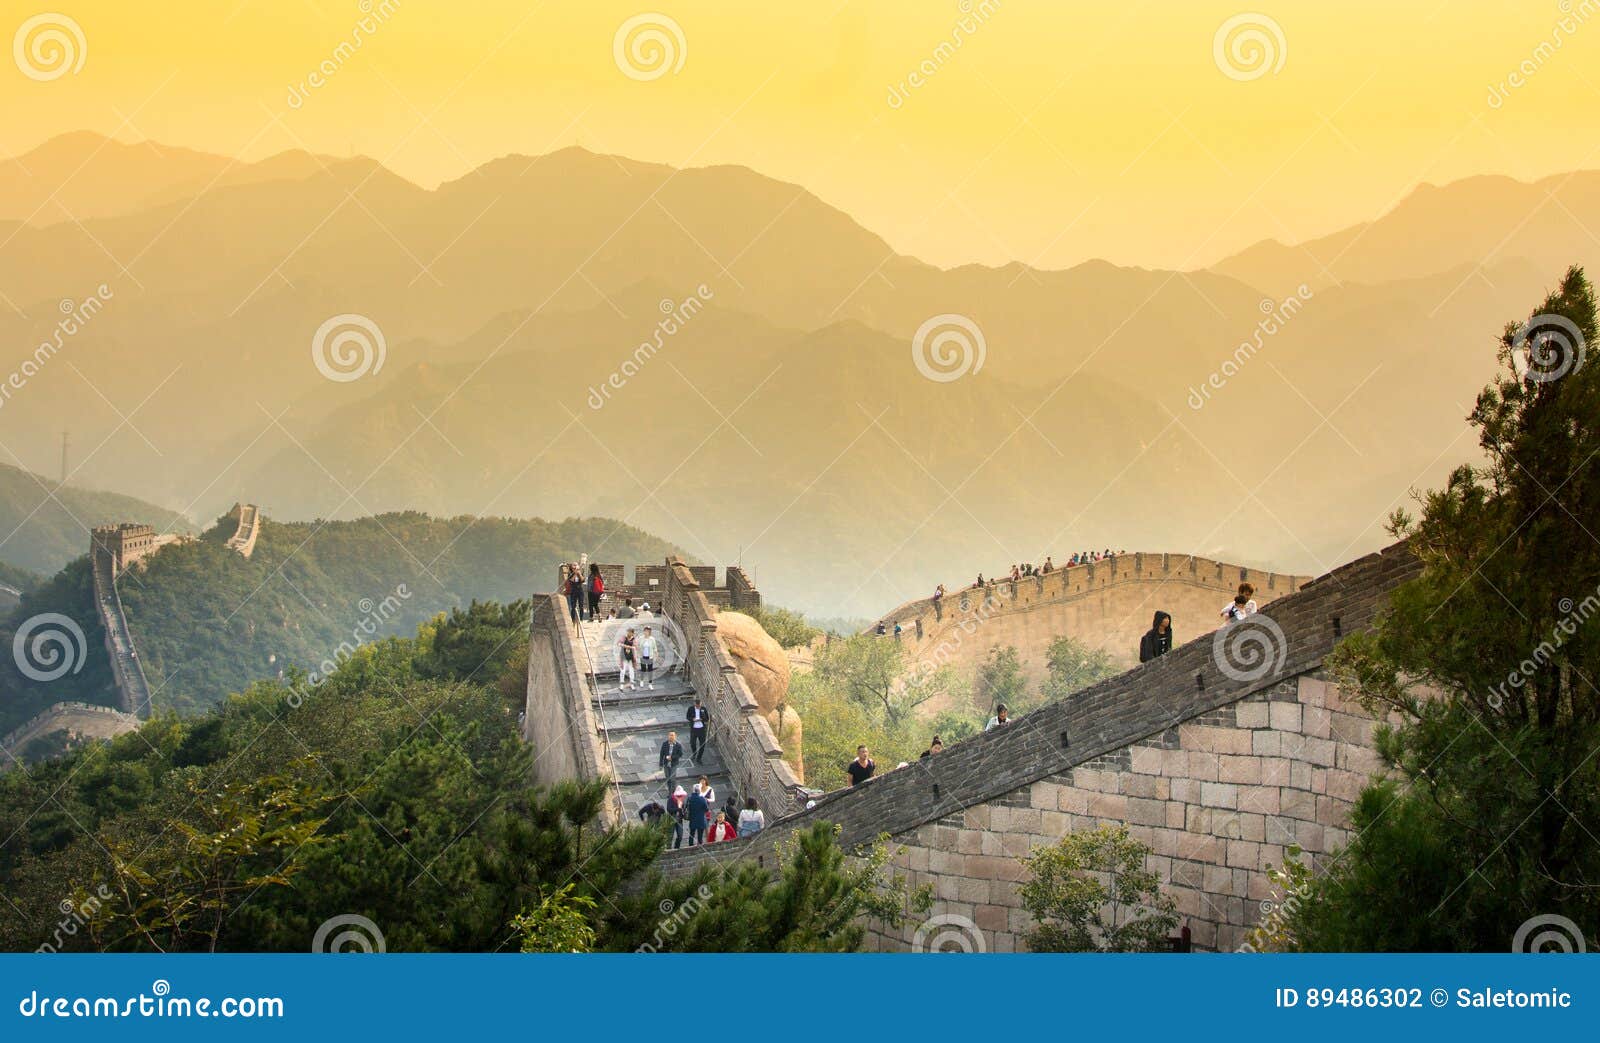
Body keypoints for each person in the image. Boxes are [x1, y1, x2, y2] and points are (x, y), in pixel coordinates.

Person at [685, 695, 710, 763]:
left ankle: (699, 758)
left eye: (699, 705)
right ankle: (694, 753)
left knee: (702, 744)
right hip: (694, 729)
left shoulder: (703, 709)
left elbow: (707, 719)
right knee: (692, 743)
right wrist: (693, 719)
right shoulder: (691, 709)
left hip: (701, 729)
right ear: (695, 704)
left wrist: (701, 719)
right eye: (697, 705)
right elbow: (687, 717)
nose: (698, 707)